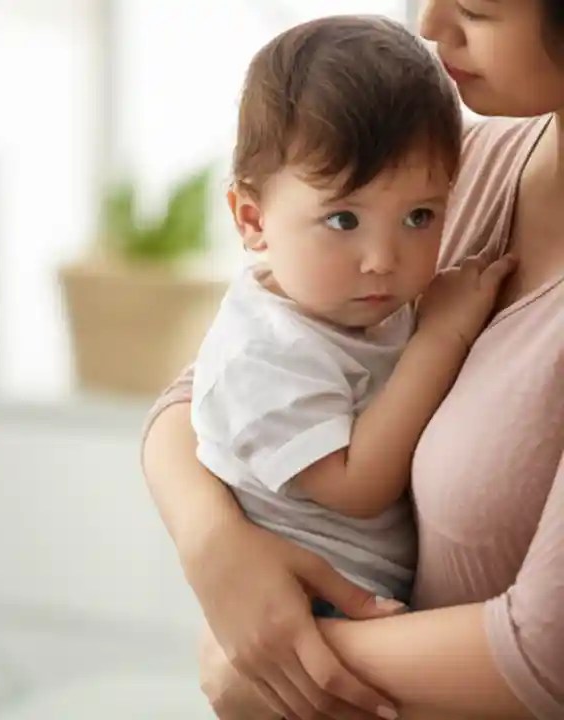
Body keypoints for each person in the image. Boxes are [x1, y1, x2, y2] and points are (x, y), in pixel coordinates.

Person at [142, 0, 564, 718]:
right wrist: (214, 547)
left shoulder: (426, 186)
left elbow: (544, 659)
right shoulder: (456, 162)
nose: (430, 25)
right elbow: (192, 397)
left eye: (475, 7)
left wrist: (272, 665)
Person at [190, 15, 514, 622]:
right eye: (343, 220)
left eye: (420, 216)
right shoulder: (263, 351)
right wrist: (442, 337)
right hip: (315, 611)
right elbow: (356, 488)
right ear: (253, 220)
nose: (383, 261)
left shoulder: (345, 301)